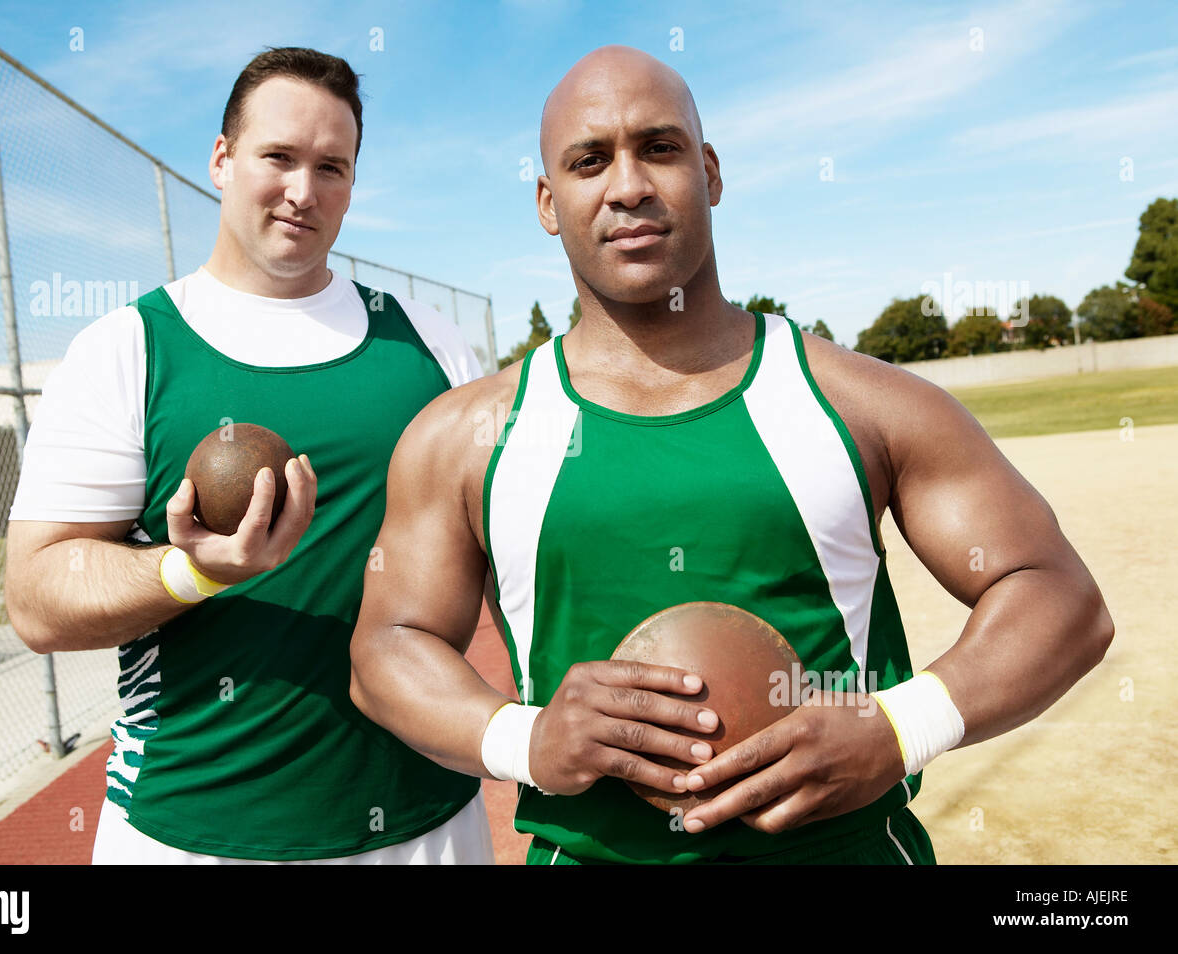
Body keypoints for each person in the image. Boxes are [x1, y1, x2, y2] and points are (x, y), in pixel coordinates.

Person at [348, 45, 1114, 865]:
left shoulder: (864, 400)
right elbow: (387, 646)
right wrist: (524, 740)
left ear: (709, 172)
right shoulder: (464, 436)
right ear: (547, 200)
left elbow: (1059, 596)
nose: (629, 184)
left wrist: (898, 728)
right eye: (589, 161)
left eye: (660, 148)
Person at [5, 47, 491, 864]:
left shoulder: (430, 342)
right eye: (279, 157)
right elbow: (35, 597)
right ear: (223, 159)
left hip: (425, 823)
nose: (305, 191)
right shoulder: (128, 348)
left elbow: (501, 548)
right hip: (191, 833)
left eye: (333, 167)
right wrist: (194, 571)